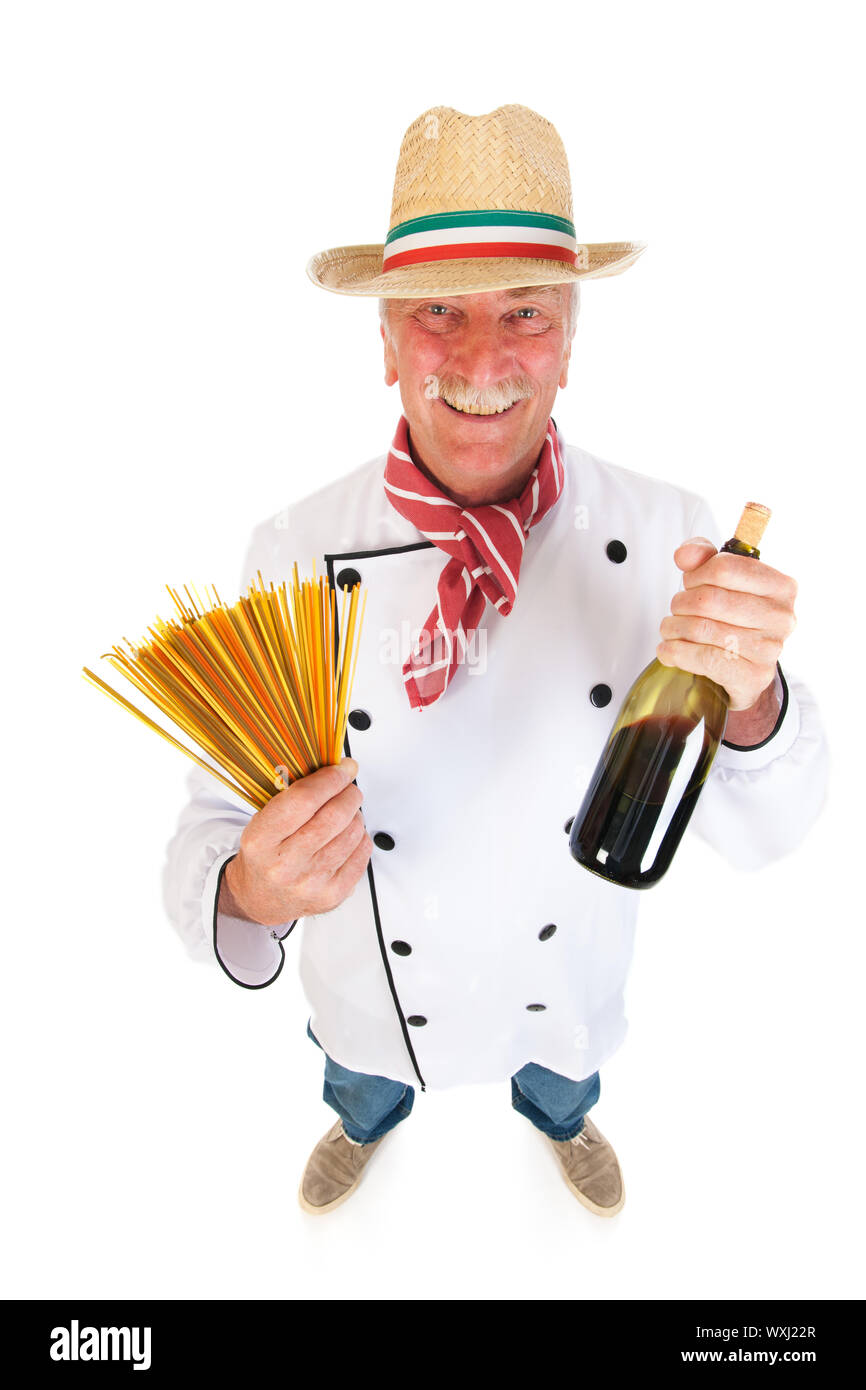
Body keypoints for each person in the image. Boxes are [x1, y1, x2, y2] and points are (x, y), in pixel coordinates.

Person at [163, 104, 828, 1217]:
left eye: (522, 311)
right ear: (383, 344)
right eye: (436, 313)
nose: (480, 359)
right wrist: (251, 889)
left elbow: (765, 834)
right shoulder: (288, 553)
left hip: (559, 982)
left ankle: (559, 1122)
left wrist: (753, 699)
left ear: (568, 342)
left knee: (564, 1077)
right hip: (377, 992)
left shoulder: (673, 534)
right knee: (361, 1078)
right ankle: (361, 1117)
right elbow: (211, 824)